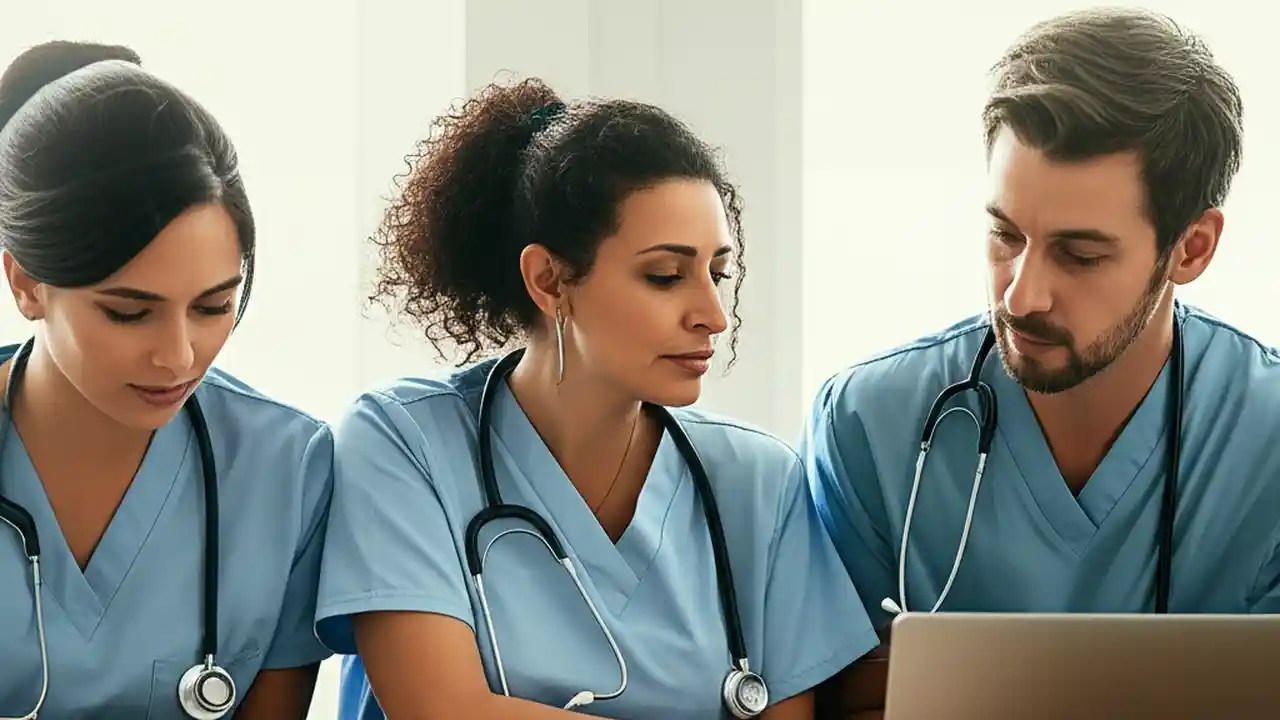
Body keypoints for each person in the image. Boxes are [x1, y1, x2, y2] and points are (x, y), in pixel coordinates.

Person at [313, 77, 878, 719]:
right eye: (665, 276)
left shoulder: (759, 484)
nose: (713, 316)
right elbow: (440, 708)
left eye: (717, 274)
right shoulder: (403, 441)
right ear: (550, 280)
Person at [801, 7, 1279, 717]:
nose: (1021, 294)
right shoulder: (867, 425)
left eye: (1080, 255)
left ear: (1191, 248)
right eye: (1005, 234)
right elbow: (833, 697)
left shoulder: (1265, 438)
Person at [0, 42, 332, 718]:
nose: (179, 357)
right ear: (27, 285)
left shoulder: (287, 470)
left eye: (213, 306)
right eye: (129, 313)